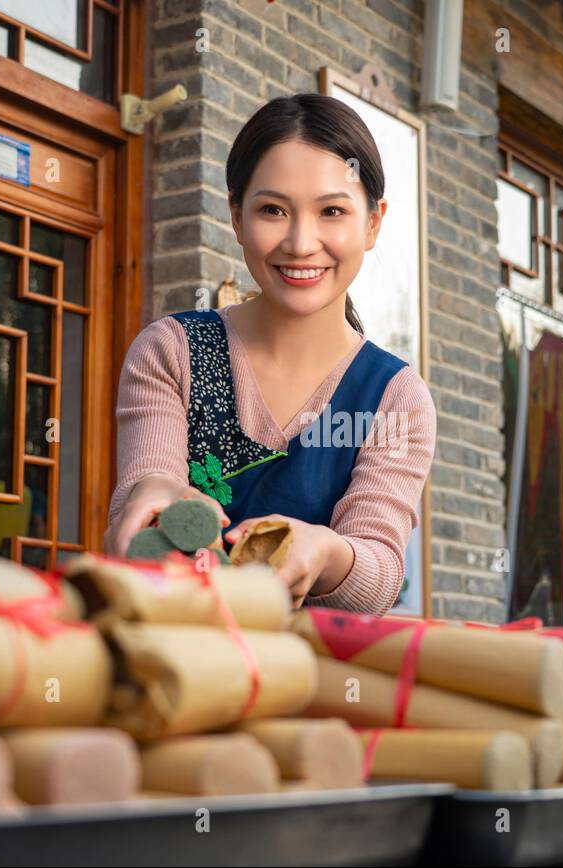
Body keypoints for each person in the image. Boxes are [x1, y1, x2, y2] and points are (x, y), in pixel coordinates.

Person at [104, 93, 436, 614]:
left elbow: (379, 572)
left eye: (332, 211)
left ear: (373, 224)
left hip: (314, 684)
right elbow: (144, 491)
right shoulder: (172, 351)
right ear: (237, 218)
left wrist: (326, 552)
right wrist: (153, 495)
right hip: (174, 668)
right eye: (272, 210)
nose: (302, 243)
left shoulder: (395, 397)